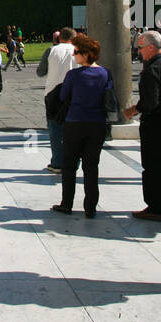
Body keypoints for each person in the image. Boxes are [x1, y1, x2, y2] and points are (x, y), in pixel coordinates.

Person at [123, 30, 161, 222]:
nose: (139, 52)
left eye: (140, 48)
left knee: (152, 164)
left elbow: (150, 102)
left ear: (150, 47)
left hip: (156, 121)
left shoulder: (152, 70)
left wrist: (133, 110)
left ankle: (155, 207)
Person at [52, 33, 112, 218]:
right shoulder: (105, 73)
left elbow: (63, 97)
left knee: (69, 166)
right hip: (97, 124)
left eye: (76, 52)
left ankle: (67, 203)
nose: (73, 55)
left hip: (74, 123)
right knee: (91, 167)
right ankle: (90, 207)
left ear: (86, 54)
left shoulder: (73, 75)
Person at [38, 28, 75, 172]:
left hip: (54, 91)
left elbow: (41, 72)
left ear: (59, 38)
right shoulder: (79, 49)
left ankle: (57, 162)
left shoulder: (50, 50)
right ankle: (73, 161)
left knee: (55, 128)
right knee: (74, 128)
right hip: (74, 91)